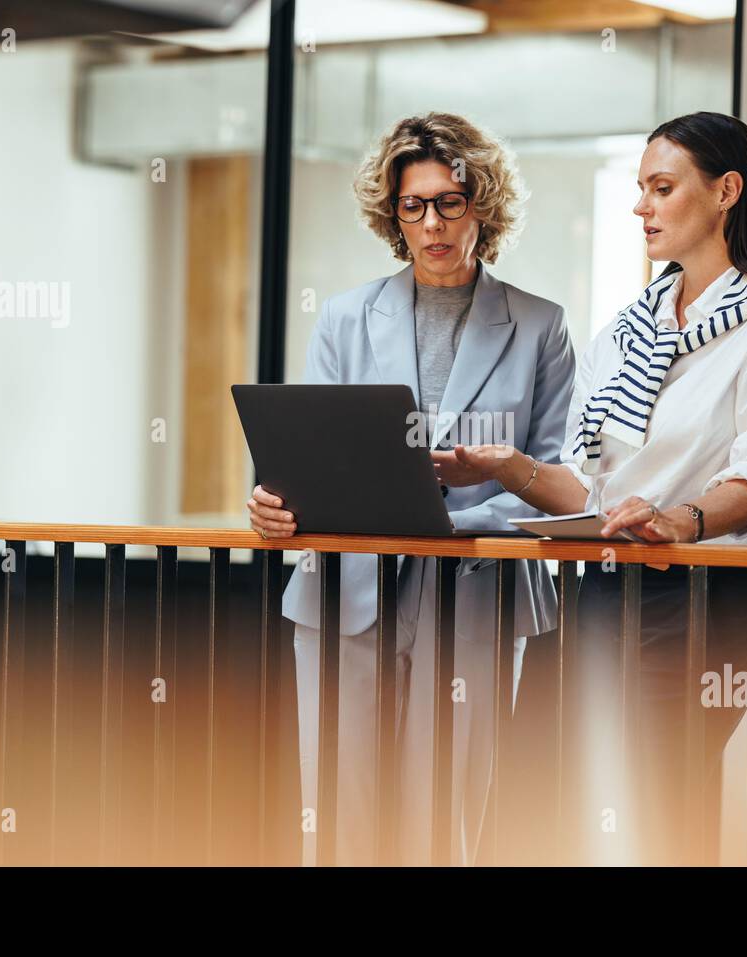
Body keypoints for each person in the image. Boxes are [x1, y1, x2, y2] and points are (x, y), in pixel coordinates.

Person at [446, 111, 747, 865]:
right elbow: (590, 489)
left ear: (728, 190)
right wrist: (510, 468)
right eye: (639, 189)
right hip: (594, 592)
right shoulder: (628, 328)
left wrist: (679, 521)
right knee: (534, 814)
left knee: (652, 820)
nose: (642, 207)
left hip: (700, 600)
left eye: (662, 188)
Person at [246, 112, 576, 866]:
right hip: (347, 588)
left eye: (450, 202)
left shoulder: (540, 327)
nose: (433, 223)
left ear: (481, 205)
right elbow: (303, 450)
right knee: (338, 814)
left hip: (475, 588)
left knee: (446, 817)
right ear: (393, 215)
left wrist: (472, 500)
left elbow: (557, 482)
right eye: (413, 205)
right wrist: (269, 499)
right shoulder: (344, 318)